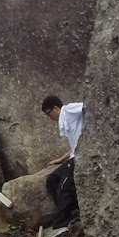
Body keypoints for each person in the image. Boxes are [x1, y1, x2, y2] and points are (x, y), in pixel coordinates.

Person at [40, 94, 83, 227]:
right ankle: (70, 212)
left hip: (80, 156)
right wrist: (60, 160)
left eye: (49, 114)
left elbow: (87, 106)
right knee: (52, 179)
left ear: (55, 108)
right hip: (73, 155)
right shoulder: (65, 118)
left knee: (65, 185)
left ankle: (62, 219)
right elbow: (73, 146)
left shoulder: (68, 110)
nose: (50, 117)